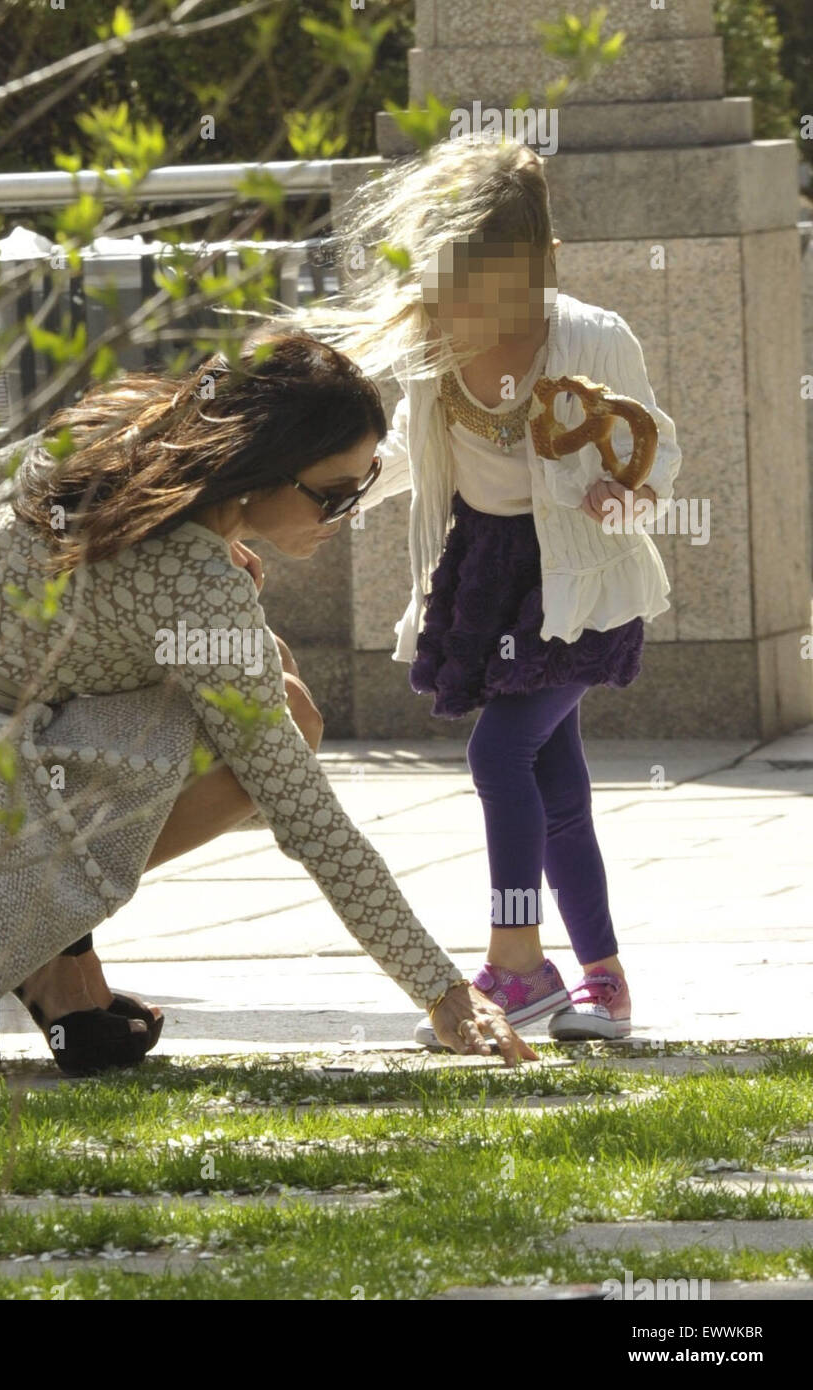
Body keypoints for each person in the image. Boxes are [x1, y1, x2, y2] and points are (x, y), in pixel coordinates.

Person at [0, 329, 535, 1084]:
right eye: (333, 492)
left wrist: (110, 598)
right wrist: (445, 994)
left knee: (269, 687)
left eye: (365, 486)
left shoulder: (113, 435)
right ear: (256, 467)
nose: (346, 513)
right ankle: (45, 944)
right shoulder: (193, 581)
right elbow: (307, 815)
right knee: (284, 724)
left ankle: (56, 959)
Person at [272, 136, 682, 1043]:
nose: (477, 311)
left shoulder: (591, 338)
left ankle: (518, 966)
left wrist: (630, 495)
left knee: (500, 756)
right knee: (554, 776)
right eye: (460, 287)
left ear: (543, 265)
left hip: (579, 580)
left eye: (497, 289)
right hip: (487, 576)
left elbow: (656, 443)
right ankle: (603, 981)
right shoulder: (439, 345)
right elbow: (406, 463)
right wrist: (324, 505)